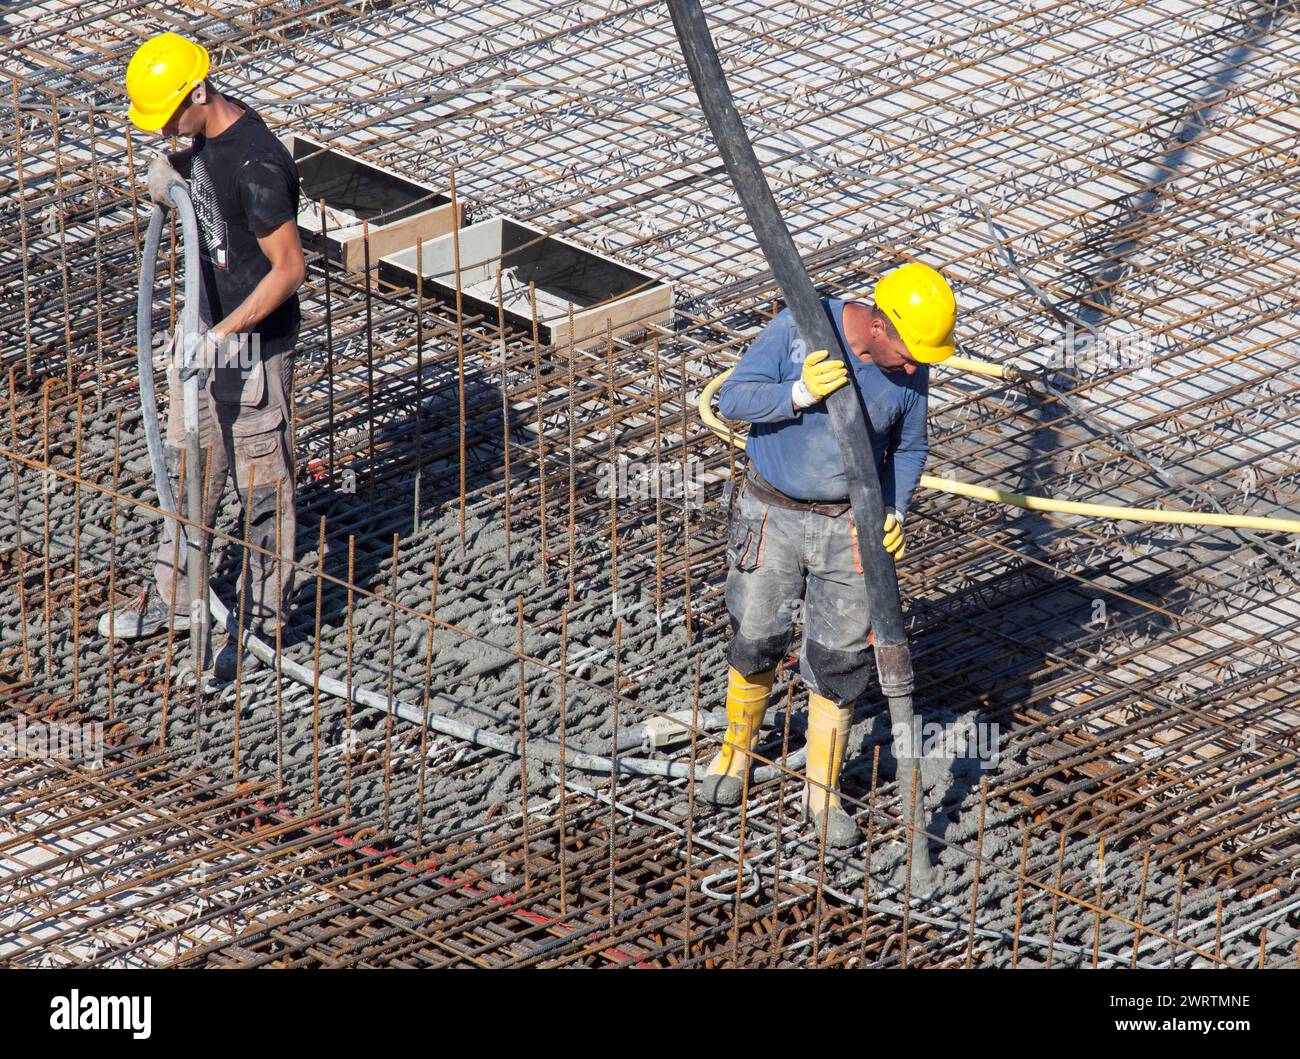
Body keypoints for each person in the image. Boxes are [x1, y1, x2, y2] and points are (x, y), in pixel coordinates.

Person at [707, 262, 957, 846]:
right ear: (876, 323)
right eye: (910, 351)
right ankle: (734, 757)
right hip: (772, 512)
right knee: (756, 634)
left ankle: (820, 790)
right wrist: (798, 392)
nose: (917, 366)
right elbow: (735, 400)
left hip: (851, 526)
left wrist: (894, 510)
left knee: (840, 656)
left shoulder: (907, 368)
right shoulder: (802, 326)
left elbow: (911, 446)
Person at [100, 32, 306, 681]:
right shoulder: (198, 135)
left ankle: (259, 628)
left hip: (252, 349)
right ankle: (178, 597)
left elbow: (289, 269)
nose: (162, 132)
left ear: (197, 94)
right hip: (206, 333)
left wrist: (223, 337)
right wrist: (169, 178)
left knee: (263, 487)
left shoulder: (258, 164)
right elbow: (183, 166)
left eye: (165, 120)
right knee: (192, 470)